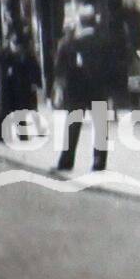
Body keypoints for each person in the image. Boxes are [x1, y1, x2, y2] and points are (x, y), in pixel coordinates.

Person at [52, 12, 116, 172]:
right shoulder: (105, 43)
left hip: (76, 91)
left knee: (73, 126)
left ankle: (66, 161)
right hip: (98, 89)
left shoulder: (69, 44)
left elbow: (60, 70)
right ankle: (99, 162)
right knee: (100, 126)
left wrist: (60, 91)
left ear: (80, 24)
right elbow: (113, 69)